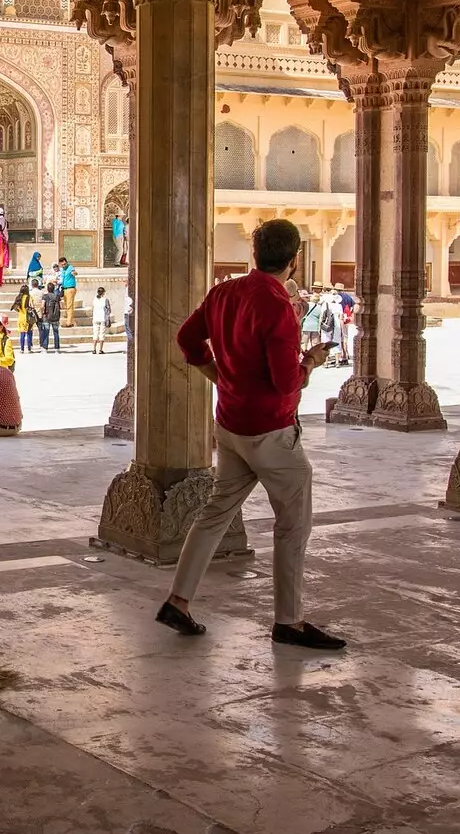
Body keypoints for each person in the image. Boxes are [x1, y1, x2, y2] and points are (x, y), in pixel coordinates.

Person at [155, 218, 344, 651]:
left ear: (254, 254)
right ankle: (288, 622)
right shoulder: (276, 304)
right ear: (294, 260)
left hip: (232, 425)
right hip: (271, 432)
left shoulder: (225, 292)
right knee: (294, 524)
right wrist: (310, 362)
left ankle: (178, 601)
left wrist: (218, 375)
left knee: (216, 514)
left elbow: (187, 338)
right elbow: (284, 382)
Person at [10, 284, 35, 353]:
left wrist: (20, 311)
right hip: (28, 318)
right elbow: (32, 306)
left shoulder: (18, 297)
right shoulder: (29, 297)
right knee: (29, 334)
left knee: (22, 334)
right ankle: (29, 349)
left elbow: (15, 307)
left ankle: (22, 349)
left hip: (21, 317)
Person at [39, 281, 62, 352]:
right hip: (55, 317)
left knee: (46, 332)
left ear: (47, 289)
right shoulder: (57, 296)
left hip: (47, 316)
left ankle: (45, 348)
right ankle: (57, 348)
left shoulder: (45, 296)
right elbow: (60, 306)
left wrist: (42, 314)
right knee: (56, 332)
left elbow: (42, 306)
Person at [91, 286, 113, 354]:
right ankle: (100, 349)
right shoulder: (105, 300)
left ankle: (94, 349)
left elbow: (93, 308)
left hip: (95, 318)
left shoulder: (94, 299)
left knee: (95, 334)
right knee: (102, 334)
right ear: (103, 293)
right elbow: (109, 310)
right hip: (102, 318)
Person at [58, 257, 78, 327]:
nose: (64, 265)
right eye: (62, 264)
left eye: (64, 264)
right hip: (65, 289)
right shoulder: (62, 270)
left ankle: (69, 323)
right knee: (67, 305)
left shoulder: (70, 267)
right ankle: (70, 321)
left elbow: (74, 272)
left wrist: (74, 273)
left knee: (69, 306)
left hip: (70, 289)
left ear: (66, 262)